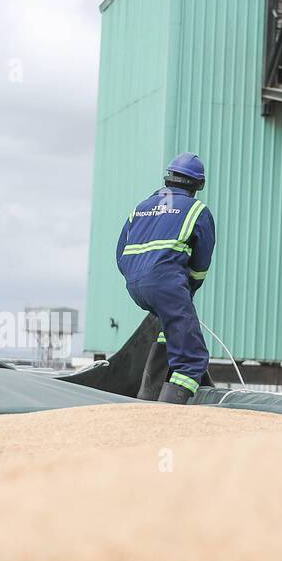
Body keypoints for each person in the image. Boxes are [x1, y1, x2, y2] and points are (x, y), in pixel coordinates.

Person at [115, 153, 216, 405]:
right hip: (166, 283)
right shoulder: (197, 210)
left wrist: (138, 278)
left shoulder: (140, 208)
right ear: (198, 185)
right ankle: (166, 414)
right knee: (191, 357)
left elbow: (120, 253)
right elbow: (200, 264)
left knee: (168, 331)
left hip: (135, 283)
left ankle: (147, 398)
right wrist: (185, 289)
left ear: (167, 178)